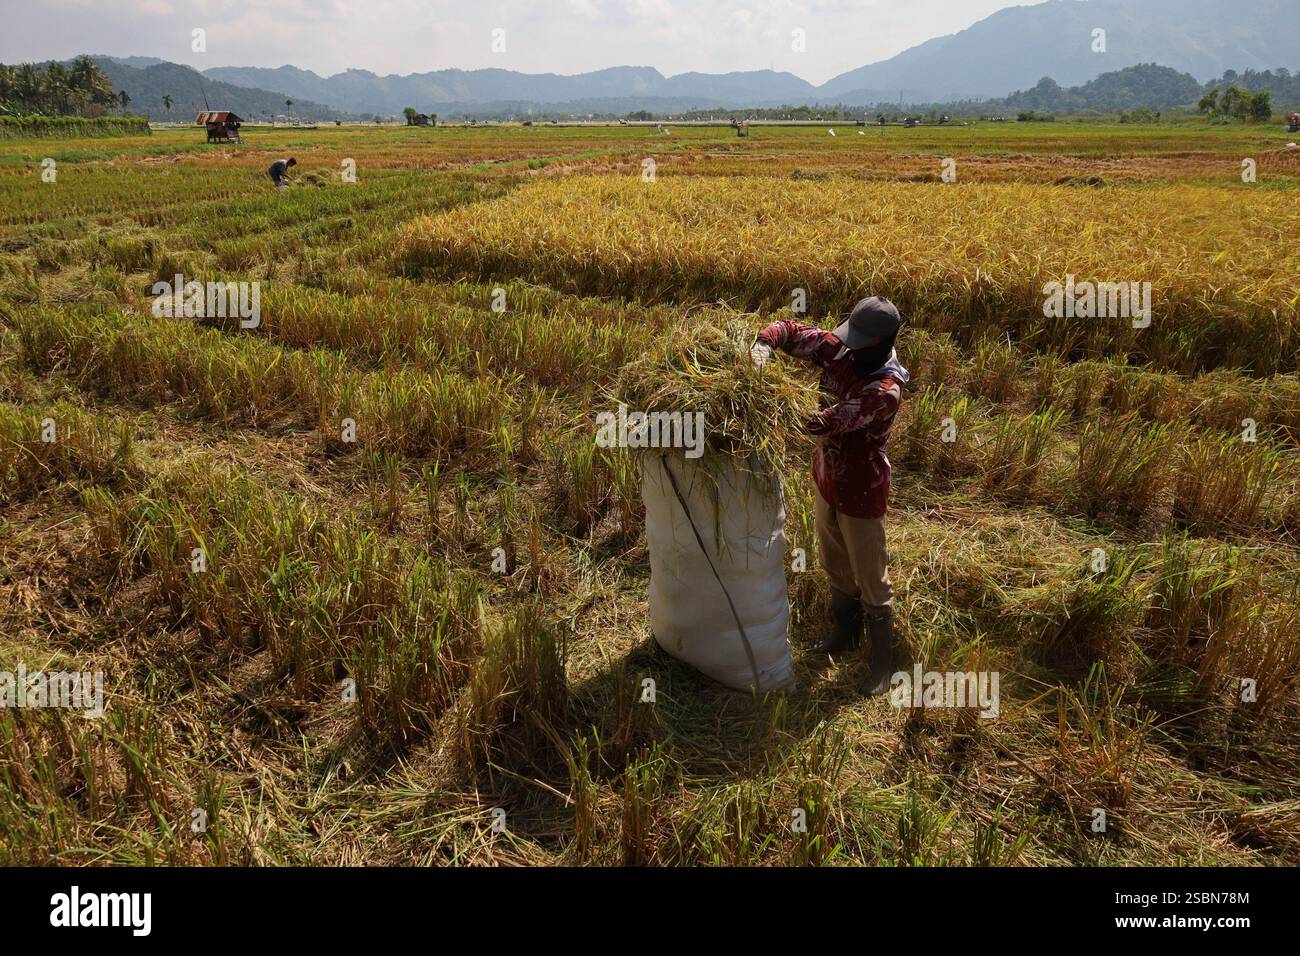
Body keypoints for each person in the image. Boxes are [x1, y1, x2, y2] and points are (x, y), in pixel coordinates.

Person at [750, 296, 909, 695]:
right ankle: (845, 635)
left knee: (871, 574)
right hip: (828, 475)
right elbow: (791, 331)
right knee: (833, 557)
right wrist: (763, 345)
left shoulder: (884, 390)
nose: (845, 344)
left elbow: (826, 422)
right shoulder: (840, 349)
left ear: (880, 342)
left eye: (857, 340)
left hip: (861, 485)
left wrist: (766, 403)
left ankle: (883, 664)